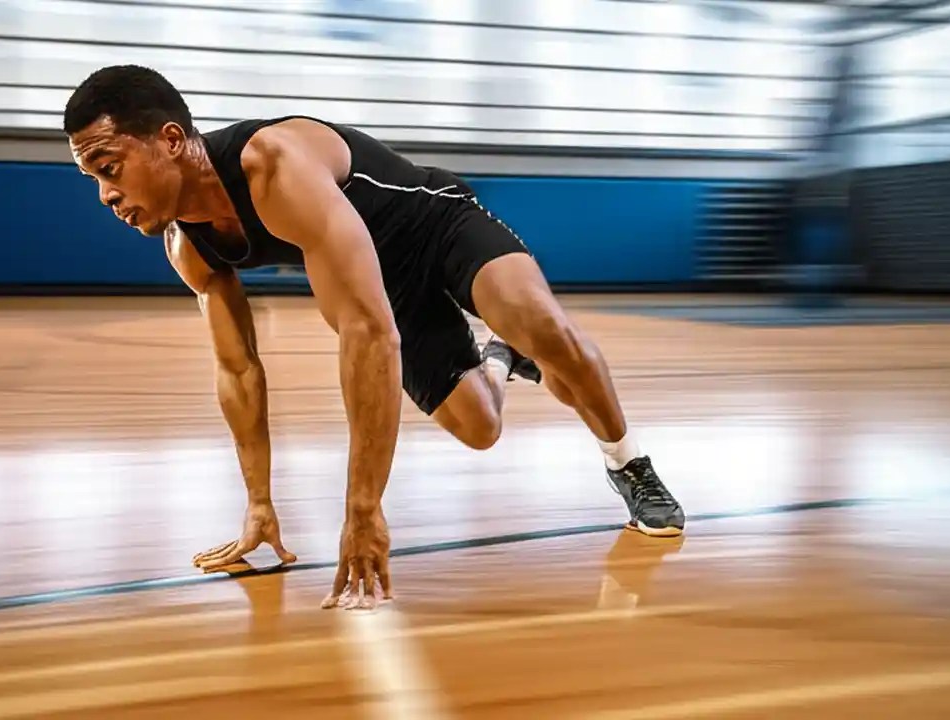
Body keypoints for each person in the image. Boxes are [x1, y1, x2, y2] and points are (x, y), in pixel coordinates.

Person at [62, 65, 685, 610]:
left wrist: (364, 509)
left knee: (544, 326)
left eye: (108, 168)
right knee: (480, 427)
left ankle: (629, 464)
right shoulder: (186, 244)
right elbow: (238, 371)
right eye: (92, 176)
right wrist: (258, 502)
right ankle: (500, 356)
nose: (105, 194)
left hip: (436, 224)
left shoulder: (273, 166)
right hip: (379, 282)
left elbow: (367, 332)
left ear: (171, 141)